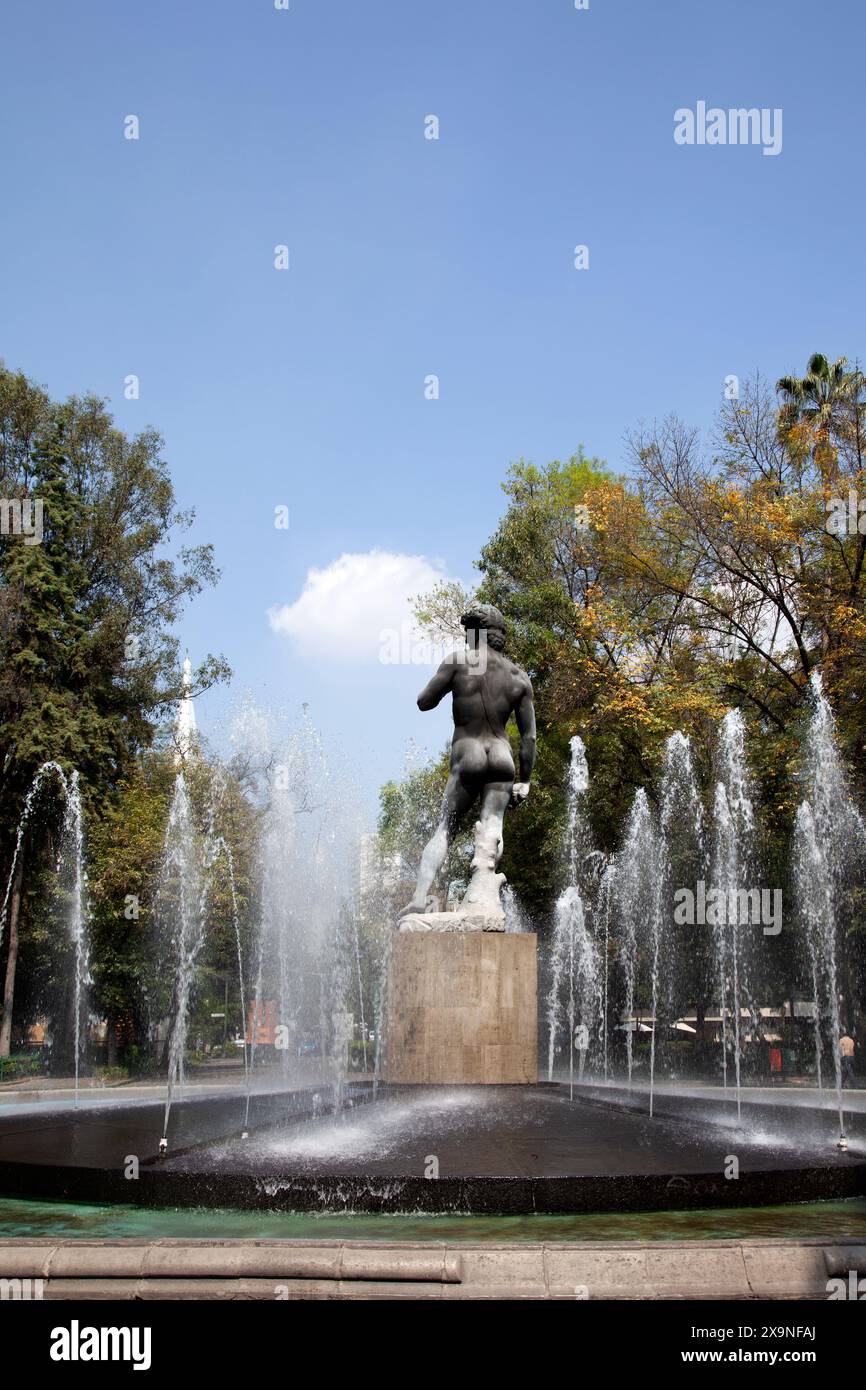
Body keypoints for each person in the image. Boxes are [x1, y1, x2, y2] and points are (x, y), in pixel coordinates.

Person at [399, 603, 536, 919]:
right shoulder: (518, 676)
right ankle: (483, 902)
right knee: (491, 828)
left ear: (474, 633)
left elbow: (424, 701)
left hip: (469, 751)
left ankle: (420, 898)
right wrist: (525, 781)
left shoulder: (460, 662)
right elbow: (529, 738)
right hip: (502, 756)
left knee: (445, 828)